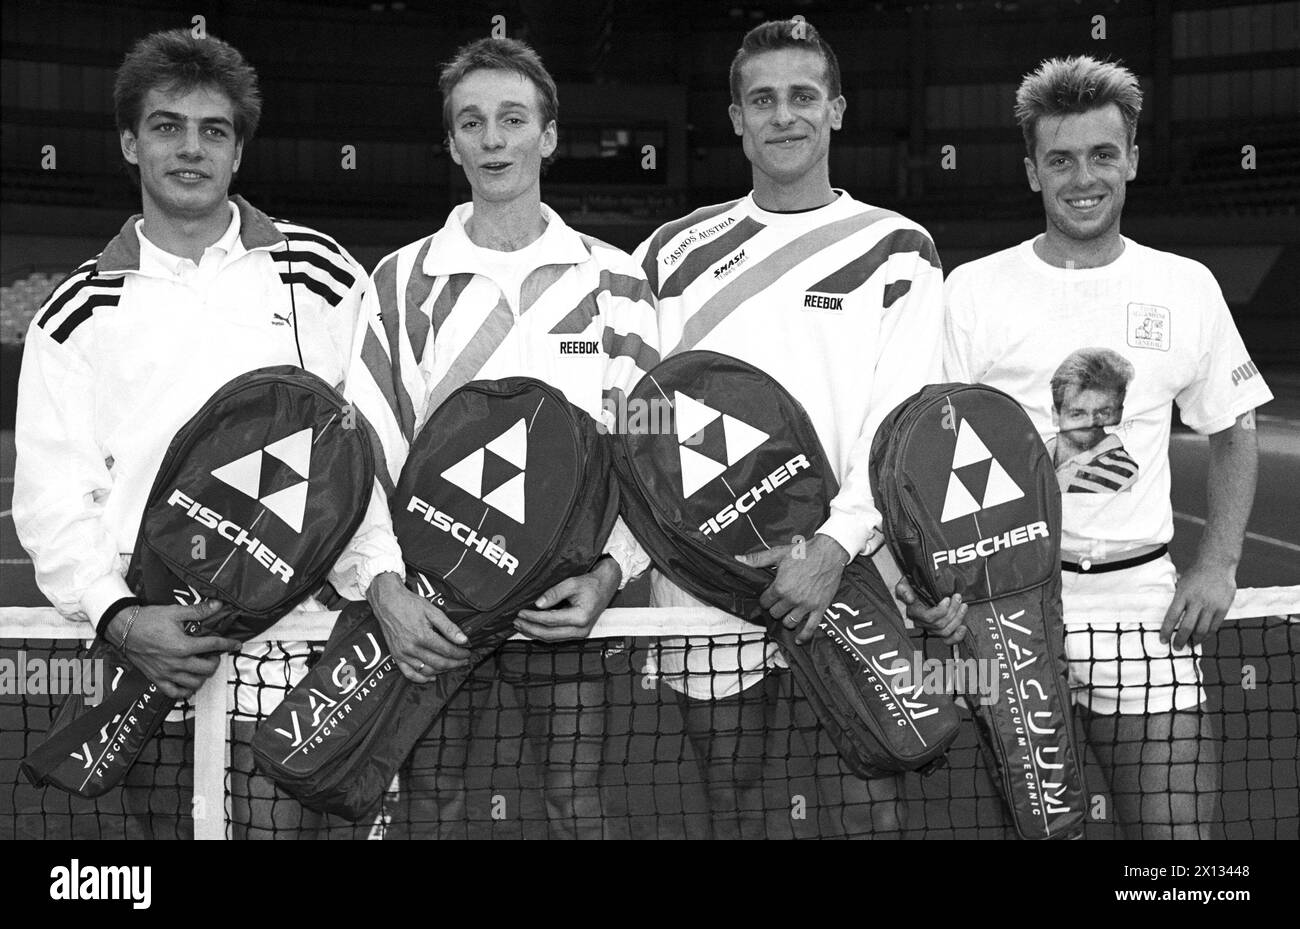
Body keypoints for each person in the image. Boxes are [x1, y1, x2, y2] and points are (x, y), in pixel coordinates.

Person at [13, 29, 367, 839]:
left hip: (294, 643)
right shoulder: (75, 312)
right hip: (152, 651)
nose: (191, 148)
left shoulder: (322, 275)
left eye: (214, 131)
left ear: (238, 153)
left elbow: (366, 444)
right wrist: (123, 618)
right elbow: (49, 497)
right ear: (131, 142)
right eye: (167, 126)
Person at [919, 55, 1273, 839]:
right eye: (1061, 159)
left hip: (1144, 610)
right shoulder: (973, 292)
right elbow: (927, 457)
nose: (1084, 176)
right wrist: (943, 584)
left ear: (1133, 160)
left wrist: (1217, 562)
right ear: (1032, 172)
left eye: (1103, 154)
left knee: (1180, 853)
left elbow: (1233, 426)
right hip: (1007, 610)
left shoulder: (1186, 285)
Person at [329, 37, 658, 839]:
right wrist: (384, 589)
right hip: (438, 606)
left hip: (565, 604)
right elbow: (364, 447)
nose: (493, 139)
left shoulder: (615, 282)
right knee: (430, 806)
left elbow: (646, 447)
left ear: (547, 135)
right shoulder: (401, 283)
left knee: (575, 807)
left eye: (513, 119)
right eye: (472, 123)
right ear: (451, 143)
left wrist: (613, 571)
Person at [632, 19, 946, 838]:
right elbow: (635, 415)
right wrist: (670, 550)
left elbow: (902, 424)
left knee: (869, 803)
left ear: (836, 110)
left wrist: (834, 549)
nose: (784, 115)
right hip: (707, 585)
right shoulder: (668, 252)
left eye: (803, 96)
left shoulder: (898, 249)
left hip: (851, 575)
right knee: (730, 802)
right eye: (762, 99)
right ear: (735, 118)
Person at [1047, 347, 1140, 493]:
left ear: (1119, 413)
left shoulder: (1121, 472)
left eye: (1103, 413)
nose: (1091, 423)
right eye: (1077, 414)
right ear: (1055, 415)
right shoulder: (1038, 455)